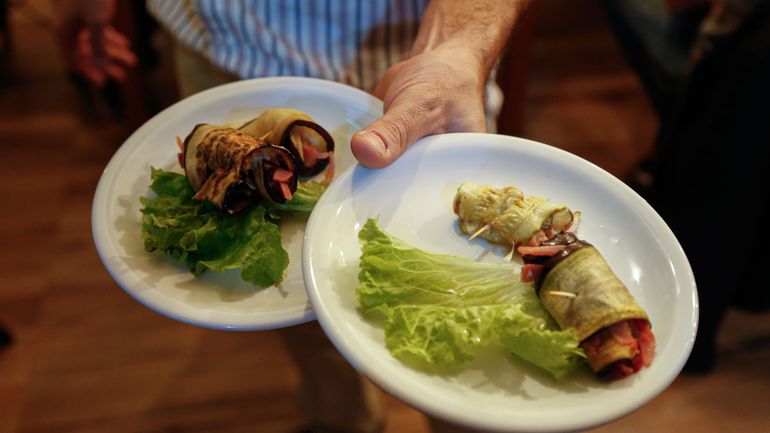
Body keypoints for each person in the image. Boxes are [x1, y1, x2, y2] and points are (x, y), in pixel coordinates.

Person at [56, 1, 530, 432]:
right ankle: (342, 418)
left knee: (441, 298)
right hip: (217, 50)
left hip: (409, 77)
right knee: (288, 297)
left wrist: (454, 45)